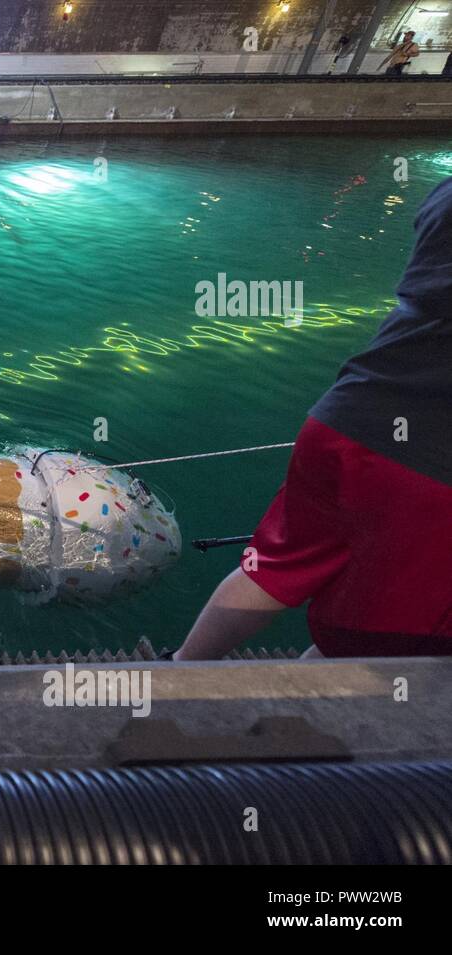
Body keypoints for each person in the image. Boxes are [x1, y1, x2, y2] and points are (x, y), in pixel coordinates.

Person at [175, 177, 452, 661]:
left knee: (273, 568)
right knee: (398, 632)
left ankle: (176, 673)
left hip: (350, 414)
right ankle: (305, 721)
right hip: (433, 466)